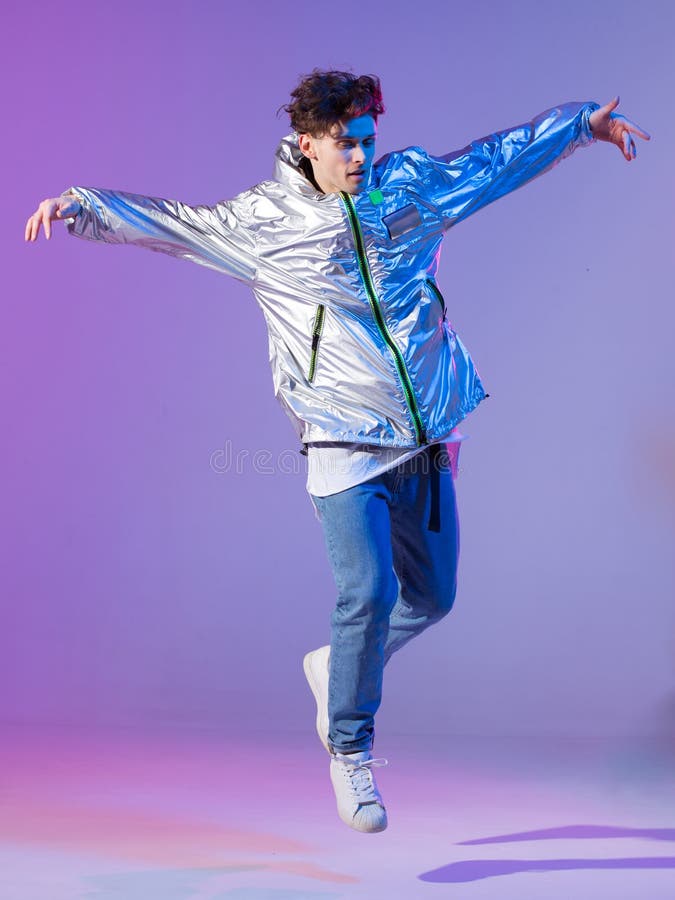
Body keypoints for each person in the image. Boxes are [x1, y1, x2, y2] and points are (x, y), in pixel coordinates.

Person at [25, 70, 650, 834]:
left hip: (423, 427)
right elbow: (174, 224)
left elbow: (492, 164)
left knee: (434, 597)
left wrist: (582, 125)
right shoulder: (265, 222)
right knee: (368, 593)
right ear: (305, 144)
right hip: (339, 437)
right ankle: (351, 751)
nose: (358, 158)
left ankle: (335, 668)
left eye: (365, 142)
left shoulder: (409, 189)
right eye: (343, 145)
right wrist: (83, 207)